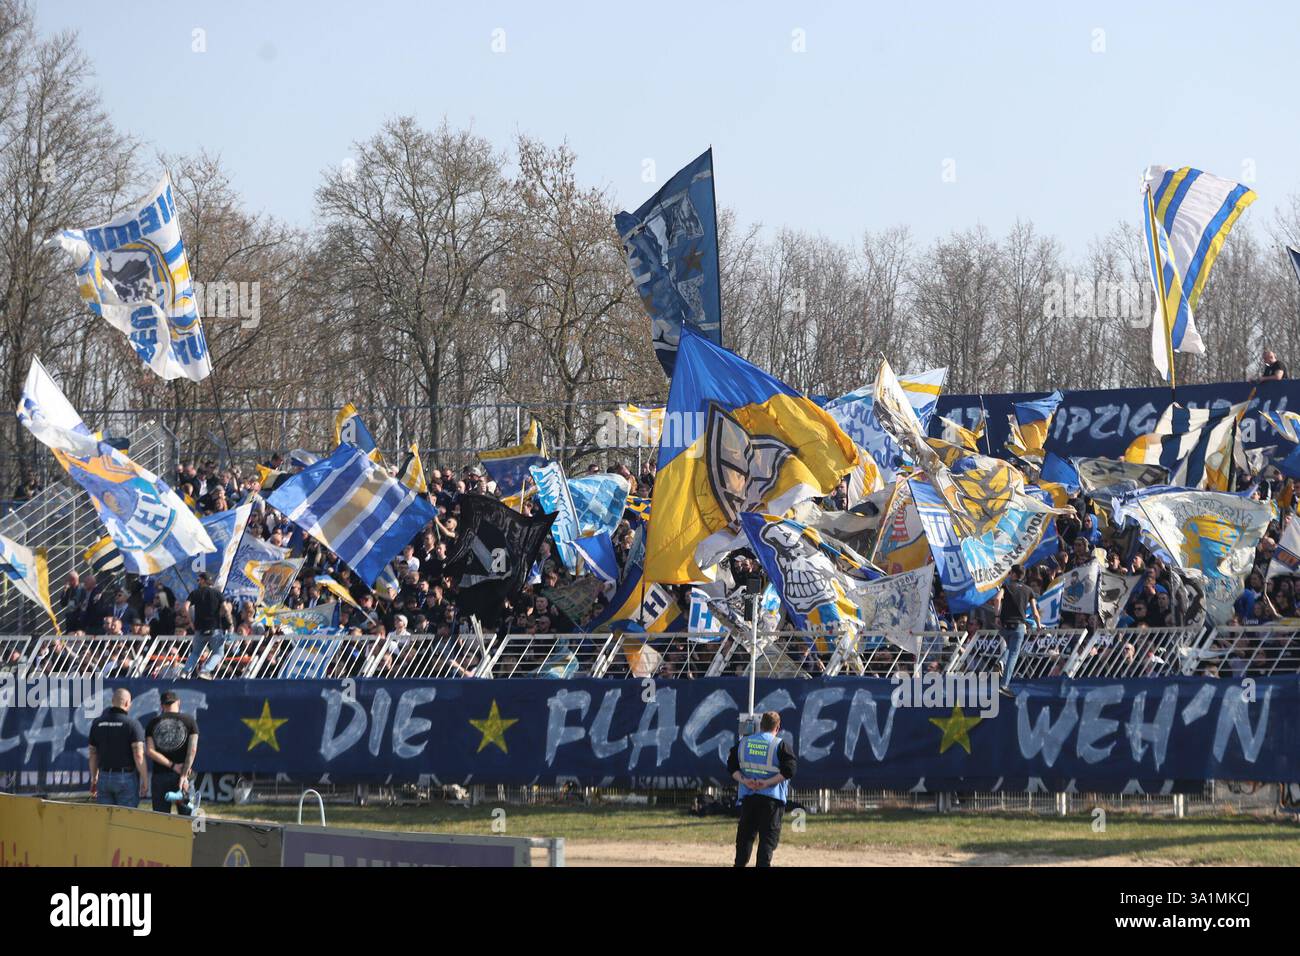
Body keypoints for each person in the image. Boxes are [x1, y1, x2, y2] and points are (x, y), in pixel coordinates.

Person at [727, 711, 797, 868]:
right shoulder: (780, 745)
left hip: (749, 798)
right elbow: (789, 770)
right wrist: (767, 783)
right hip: (771, 801)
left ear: (761, 725)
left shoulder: (743, 743)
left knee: (744, 839)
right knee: (767, 841)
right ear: (777, 727)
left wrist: (744, 781)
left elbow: (731, 766)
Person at [87, 688, 148, 808]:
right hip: (125, 779)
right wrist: (145, 780)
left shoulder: (97, 723)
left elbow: (93, 754)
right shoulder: (132, 724)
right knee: (126, 821)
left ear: (112, 701)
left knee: (106, 819)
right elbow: (139, 755)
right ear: (127, 703)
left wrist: (94, 779)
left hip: (103, 777)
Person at [145, 691, 199, 816]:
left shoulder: (153, 723)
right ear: (178, 703)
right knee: (187, 820)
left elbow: (150, 751)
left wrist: (173, 766)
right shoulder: (190, 721)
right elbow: (192, 750)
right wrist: (183, 775)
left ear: (162, 705)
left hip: (160, 776)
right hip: (183, 776)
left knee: (161, 820)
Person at [995, 565, 1040, 695]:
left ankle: (1001, 662)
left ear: (1014, 574)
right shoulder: (1029, 590)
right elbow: (1035, 612)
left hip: (1004, 625)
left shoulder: (1006, 586)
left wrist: (997, 616)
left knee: (1010, 649)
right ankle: (1004, 685)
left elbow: (997, 599)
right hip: (1019, 626)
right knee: (1014, 654)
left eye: (1010, 573)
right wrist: (1038, 625)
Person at [184, 571, 232, 678]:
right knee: (218, 653)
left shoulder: (195, 593)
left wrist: (191, 622)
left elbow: (186, 606)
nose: (198, 582)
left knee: (195, 653)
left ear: (202, 580)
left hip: (199, 629)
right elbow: (225, 608)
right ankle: (205, 671)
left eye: (198, 580)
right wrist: (229, 624)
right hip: (215, 628)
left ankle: (185, 671)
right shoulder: (218, 593)